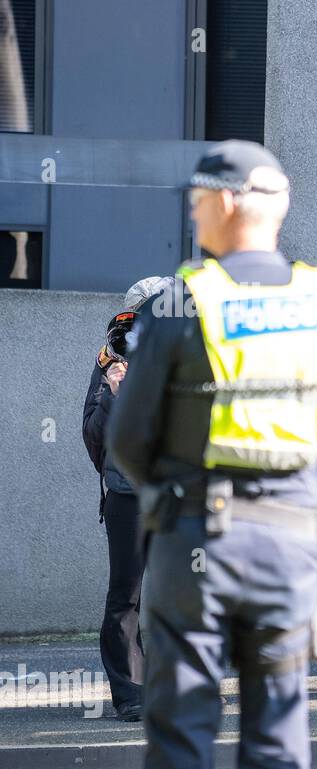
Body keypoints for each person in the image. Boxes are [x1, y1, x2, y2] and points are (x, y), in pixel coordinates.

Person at [107, 140, 317, 769]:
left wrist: (172, 496)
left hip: (197, 541)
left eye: (195, 201)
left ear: (226, 202)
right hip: (290, 548)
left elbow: (128, 436)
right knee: (278, 734)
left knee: (183, 726)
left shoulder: (182, 298)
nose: (192, 214)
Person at [82, 277, 170, 722]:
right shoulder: (111, 362)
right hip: (128, 497)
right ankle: (130, 692)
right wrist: (114, 394)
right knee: (126, 597)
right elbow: (93, 438)